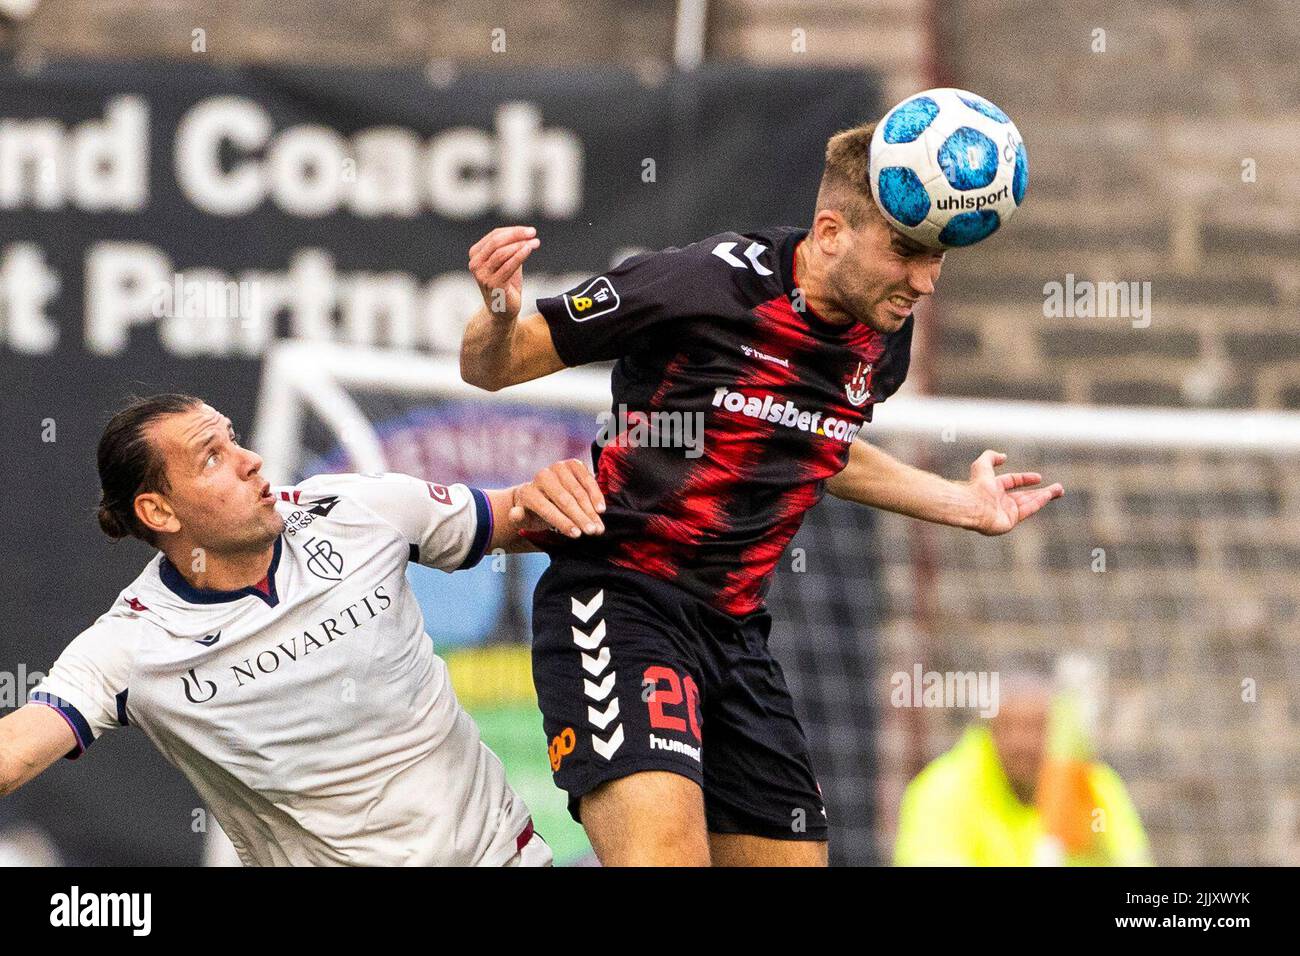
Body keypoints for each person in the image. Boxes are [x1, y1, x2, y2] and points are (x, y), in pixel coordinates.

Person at [459, 119, 1065, 866]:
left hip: (737, 634)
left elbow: (811, 442)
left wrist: (960, 504)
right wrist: (495, 310)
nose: (925, 281)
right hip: (621, 599)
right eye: (906, 251)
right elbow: (494, 368)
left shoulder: (884, 335)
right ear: (832, 231)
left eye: (937, 256)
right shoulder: (699, 285)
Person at [0, 394, 607, 866]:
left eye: (234, 438)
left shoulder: (357, 510)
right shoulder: (133, 643)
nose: (250, 460)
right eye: (212, 456)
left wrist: (555, 495)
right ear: (159, 511)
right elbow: (14, 754)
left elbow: (522, 516)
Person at [893, 678, 1153, 866]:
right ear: (989, 731)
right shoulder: (943, 787)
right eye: (1010, 728)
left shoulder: (1091, 786)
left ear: (1058, 733)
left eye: (1037, 728)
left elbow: (1130, 857)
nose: (1023, 743)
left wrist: (1094, 836)